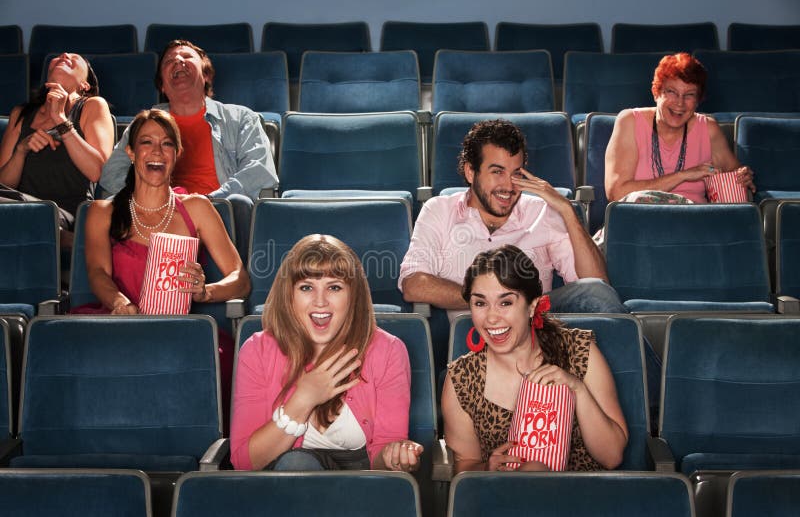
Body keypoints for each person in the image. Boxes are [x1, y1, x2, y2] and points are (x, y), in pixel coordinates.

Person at [79, 108, 250, 427]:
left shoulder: (197, 207)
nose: (157, 151)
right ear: (131, 152)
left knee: (220, 358)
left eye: (167, 143)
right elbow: (97, 272)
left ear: (177, 153)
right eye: (146, 142)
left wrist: (206, 290)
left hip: (180, 328)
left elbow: (240, 280)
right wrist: (118, 302)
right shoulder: (103, 211)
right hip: (121, 323)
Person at [231, 234, 423, 472]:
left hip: (361, 485)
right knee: (296, 463)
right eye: (306, 287)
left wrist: (394, 456)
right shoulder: (257, 350)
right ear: (289, 296)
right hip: (288, 485)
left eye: (334, 287)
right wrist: (304, 399)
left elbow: (383, 453)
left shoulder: (388, 350)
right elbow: (244, 462)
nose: (320, 302)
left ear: (353, 296)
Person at [399, 118, 625, 319]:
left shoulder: (542, 211)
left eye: (516, 173)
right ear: (470, 172)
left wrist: (567, 210)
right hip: (474, 340)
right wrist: (495, 300)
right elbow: (414, 284)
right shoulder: (439, 210)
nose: (508, 186)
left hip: (537, 331)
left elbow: (597, 284)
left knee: (596, 292)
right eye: (497, 172)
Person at [442, 245, 628, 472]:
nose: (491, 318)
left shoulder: (579, 351)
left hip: (582, 496)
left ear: (532, 307)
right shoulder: (461, 379)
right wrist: (487, 469)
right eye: (480, 303)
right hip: (507, 499)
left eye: (506, 303)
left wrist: (578, 389)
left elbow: (612, 456)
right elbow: (464, 468)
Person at [98, 40, 278, 258]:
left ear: (207, 76)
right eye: (169, 61)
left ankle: (236, 281)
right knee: (101, 209)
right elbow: (111, 174)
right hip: (156, 214)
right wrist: (156, 200)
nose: (178, 62)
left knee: (240, 202)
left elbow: (259, 170)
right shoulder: (144, 123)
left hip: (220, 210)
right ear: (162, 85)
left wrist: (204, 203)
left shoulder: (240, 118)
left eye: (186, 57)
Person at [605, 52, 755, 204]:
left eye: (689, 95)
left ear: (698, 101)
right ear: (656, 93)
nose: (680, 103)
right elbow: (616, 193)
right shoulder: (629, 121)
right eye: (672, 92)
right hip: (639, 222)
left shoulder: (708, 129)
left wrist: (743, 177)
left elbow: (735, 175)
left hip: (693, 223)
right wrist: (683, 175)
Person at [0, 52, 114, 234]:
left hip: (62, 214)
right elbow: (4, 184)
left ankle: (63, 237)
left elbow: (97, 171)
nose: (65, 55)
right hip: (15, 206)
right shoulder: (21, 113)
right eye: (59, 57)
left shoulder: (93, 106)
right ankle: (61, 240)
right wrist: (21, 151)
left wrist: (61, 120)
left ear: (85, 84)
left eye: (75, 58)